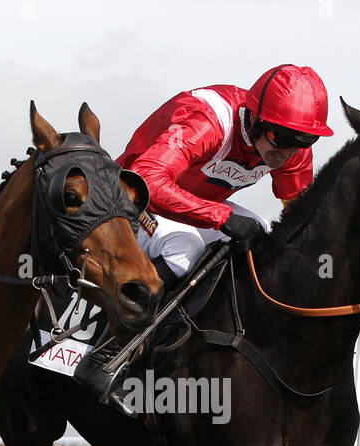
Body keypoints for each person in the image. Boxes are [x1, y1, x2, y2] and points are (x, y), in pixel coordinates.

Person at [73, 64, 333, 407]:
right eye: (279, 138)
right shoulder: (207, 121)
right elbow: (147, 178)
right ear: (254, 117)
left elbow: (298, 215)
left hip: (192, 204)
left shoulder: (292, 144)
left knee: (266, 241)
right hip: (133, 197)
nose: (287, 151)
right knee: (184, 248)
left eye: (303, 141)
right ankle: (104, 358)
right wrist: (220, 215)